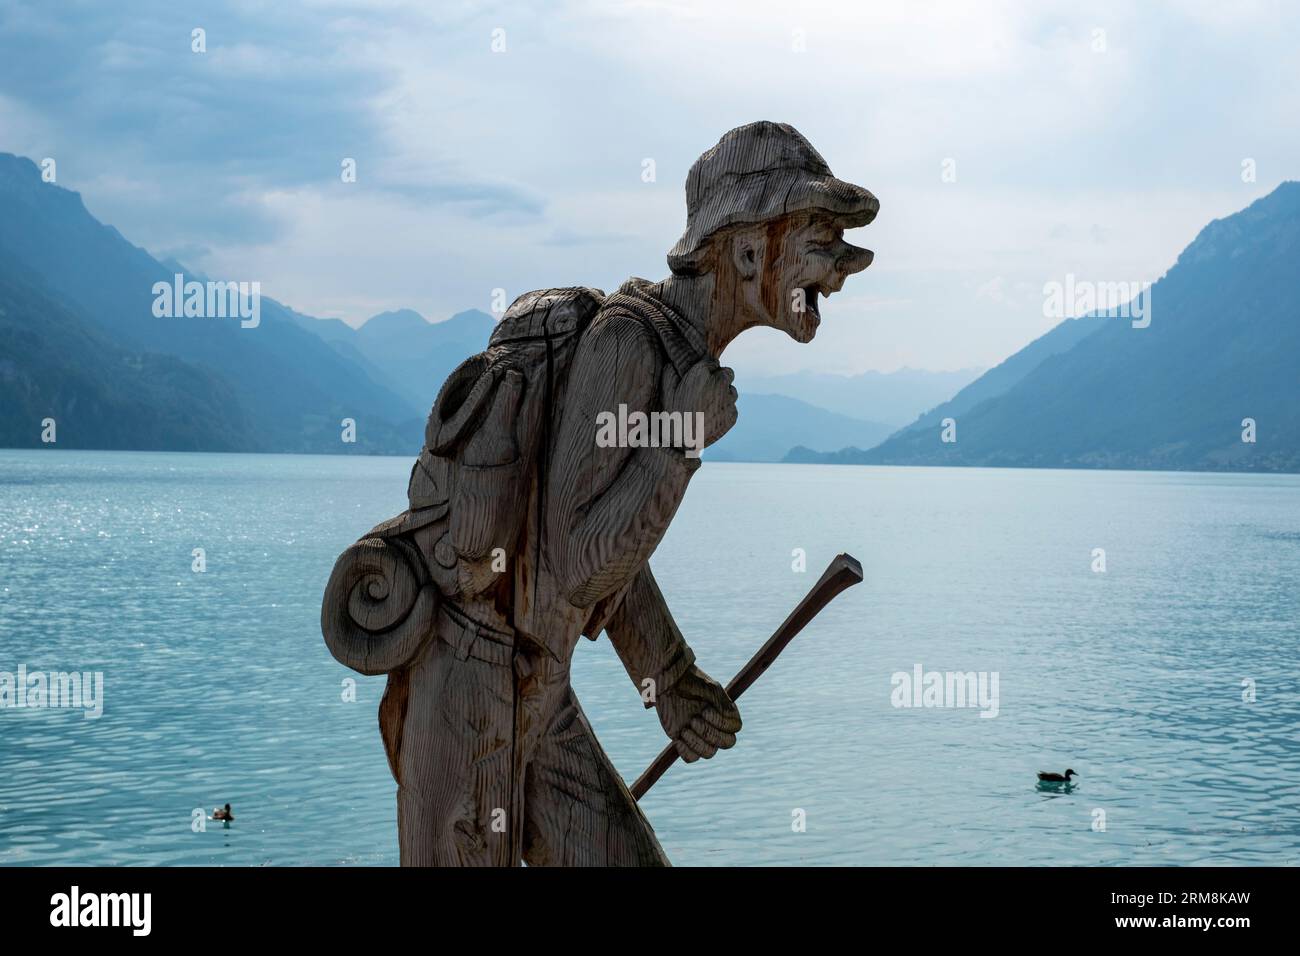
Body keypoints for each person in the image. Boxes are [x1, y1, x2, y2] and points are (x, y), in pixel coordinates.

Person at [323, 121, 877, 866]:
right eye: (819, 244)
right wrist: (680, 441)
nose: (838, 273)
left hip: (537, 692)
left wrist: (669, 683)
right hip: (470, 688)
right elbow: (578, 555)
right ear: (747, 249)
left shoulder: (674, 356)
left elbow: (607, 555)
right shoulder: (627, 343)